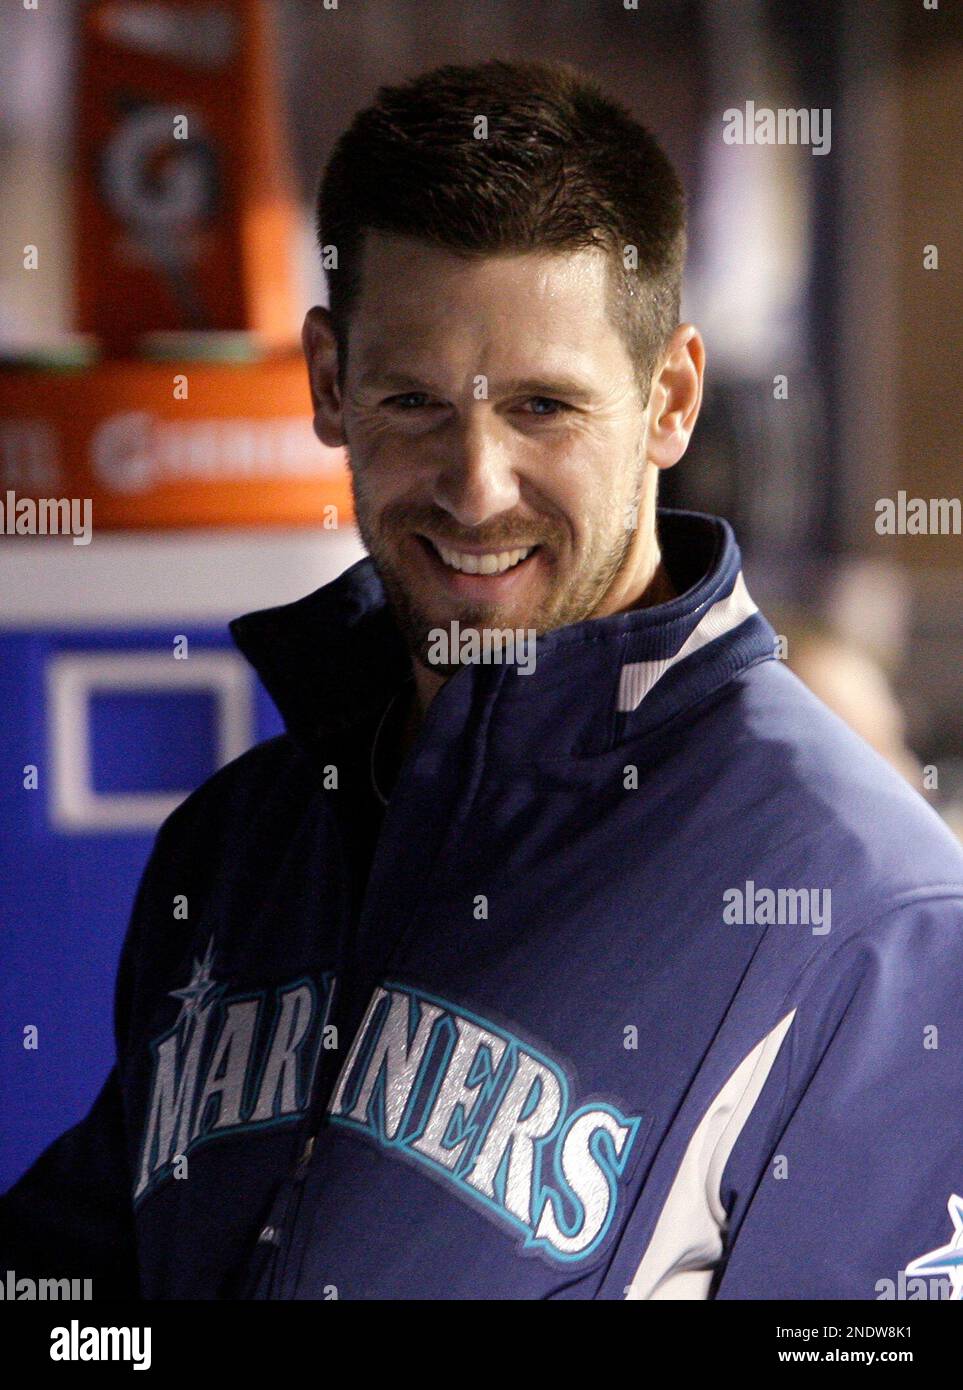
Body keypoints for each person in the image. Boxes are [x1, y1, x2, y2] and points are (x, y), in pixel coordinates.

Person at [3, 59, 962, 1302]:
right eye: (413, 401)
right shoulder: (239, 842)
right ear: (330, 384)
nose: (474, 485)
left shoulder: (870, 918)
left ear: (669, 399)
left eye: (543, 407)